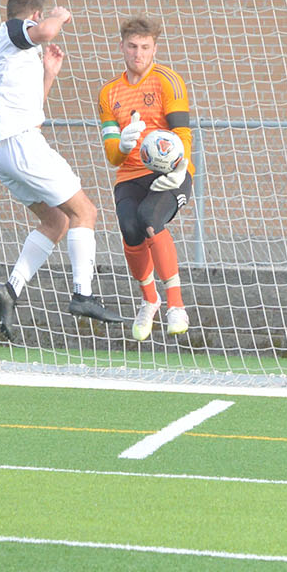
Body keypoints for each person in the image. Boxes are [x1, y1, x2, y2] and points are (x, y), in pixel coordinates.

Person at [0, 0, 124, 341]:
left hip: (5, 148)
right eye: (38, 19)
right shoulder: (12, 30)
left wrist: (49, 73)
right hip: (19, 144)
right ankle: (83, 295)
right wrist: (57, 15)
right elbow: (45, 30)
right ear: (32, 15)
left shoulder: (17, 51)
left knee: (57, 220)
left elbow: (33, 109)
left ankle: (10, 290)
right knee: (85, 212)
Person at [97, 17, 193, 341]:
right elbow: (112, 156)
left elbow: (182, 133)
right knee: (130, 227)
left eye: (145, 47)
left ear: (155, 48)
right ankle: (149, 299)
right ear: (122, 46)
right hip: (130, 174)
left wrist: (181, 166)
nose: (139, 54)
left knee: (150, 218)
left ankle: (175, 306)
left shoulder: (169, 81)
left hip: (170, 172)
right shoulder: (110, 93)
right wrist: (122, 144)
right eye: (133, 47)